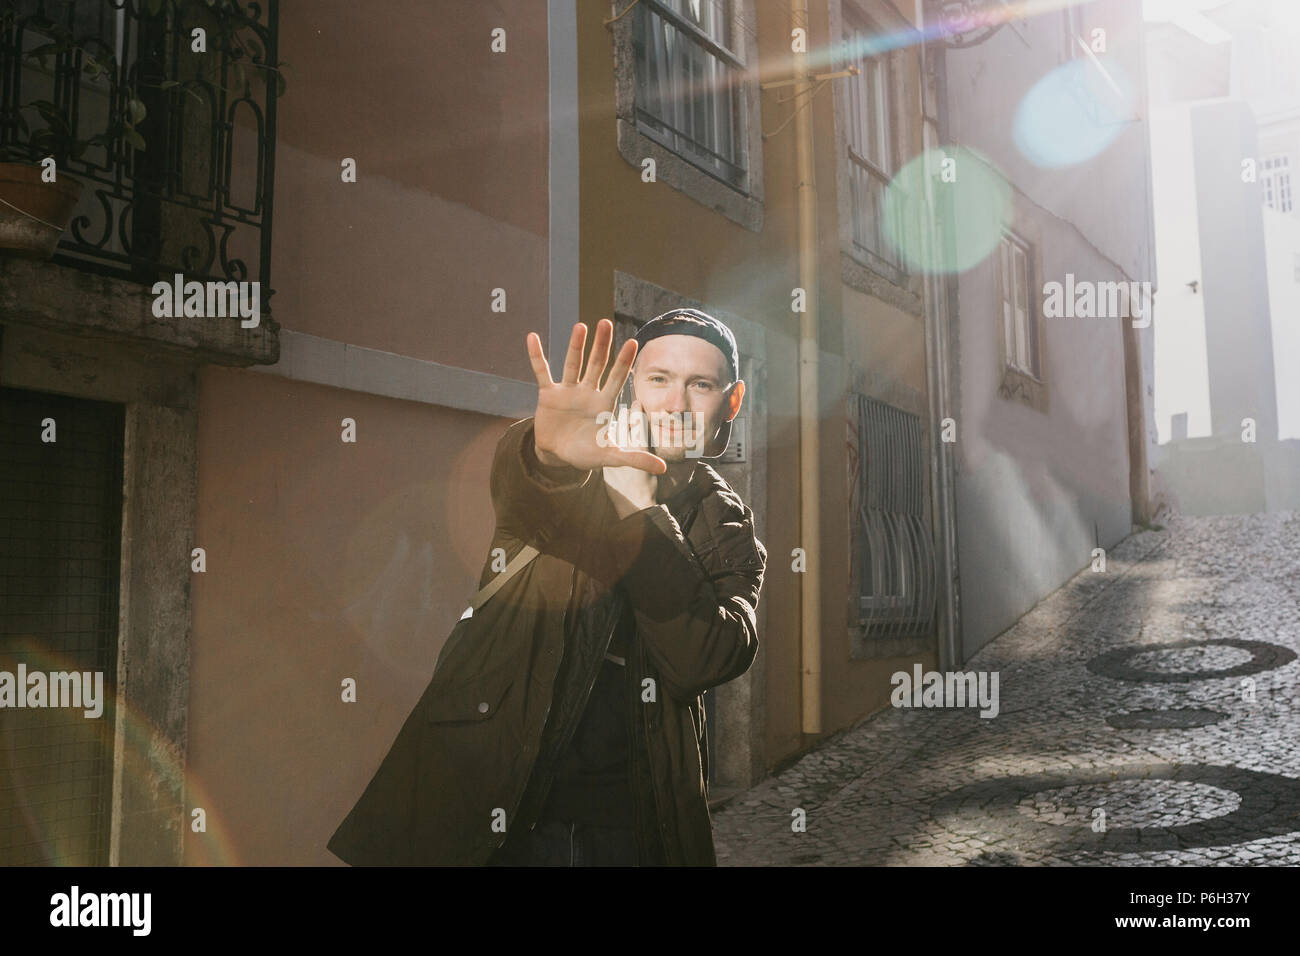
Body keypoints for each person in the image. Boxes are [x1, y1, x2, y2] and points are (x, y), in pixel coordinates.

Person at [485, 309, 767, 866]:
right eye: (659, 379)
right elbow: (522, 496)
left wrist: (641, 510)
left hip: (635, 825)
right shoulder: (572, 473)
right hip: (515, 813)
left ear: (730, 404)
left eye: (700, 385)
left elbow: (705, 659)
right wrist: (546, 452)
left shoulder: (727, 525)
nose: (675, 404)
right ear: (631, 387)